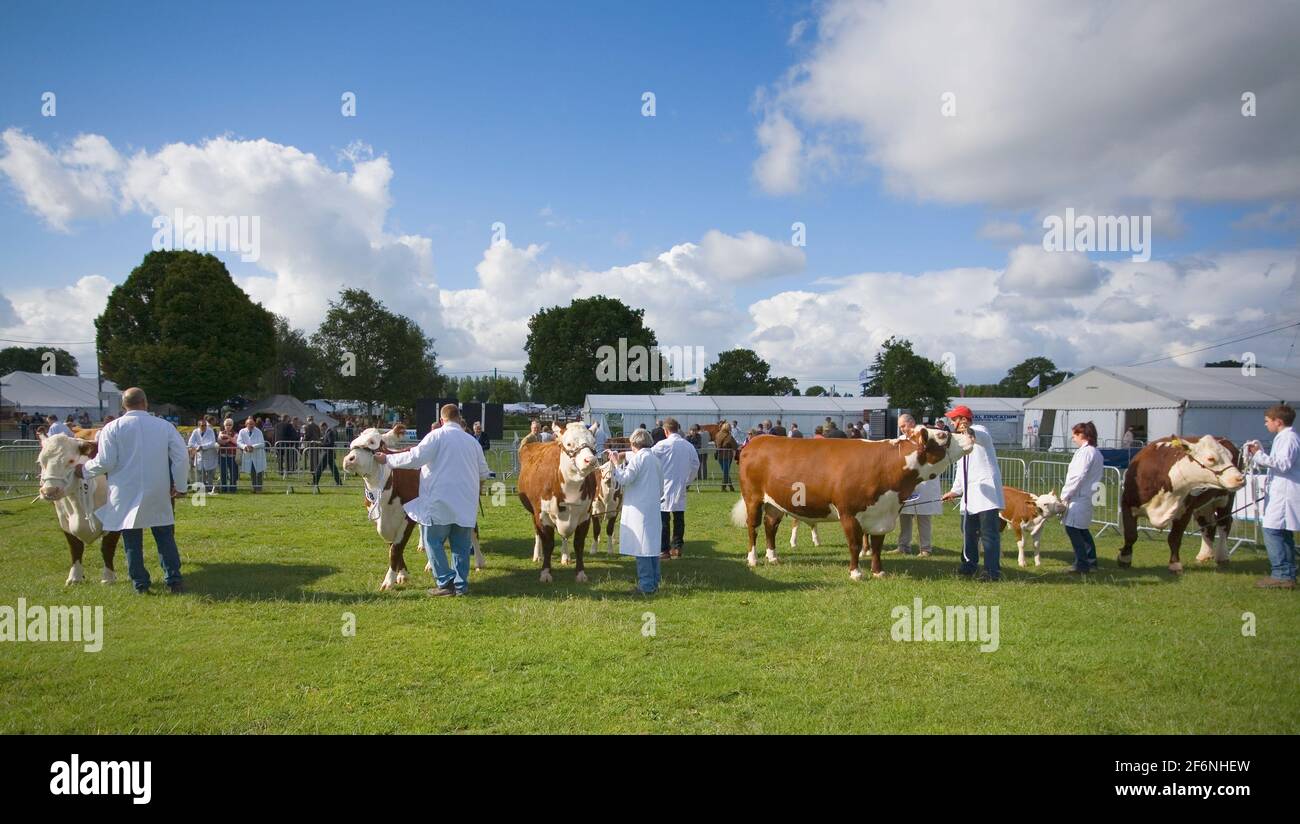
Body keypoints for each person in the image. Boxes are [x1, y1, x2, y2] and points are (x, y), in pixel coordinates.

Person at [77, 388, 188, 594]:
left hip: (125, 491)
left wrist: (83, 469)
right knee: (164, 535)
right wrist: (181, 486)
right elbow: (181, 457)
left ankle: (140, 584)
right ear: (145, 402)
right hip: (157, 489)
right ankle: (174, 580)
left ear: (123, 405)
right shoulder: (164, 426)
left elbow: (105, 462)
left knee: (131, 540)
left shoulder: (112, 428)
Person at [376, 404, 490, 597]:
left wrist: (387, 459)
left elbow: (414, 458)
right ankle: (461, 586)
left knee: (432, 541)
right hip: (465, 503)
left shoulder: (436, 436)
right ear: (458, 418)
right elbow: (484, 473)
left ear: (441, 420)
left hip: (439, 501)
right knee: (461, 546)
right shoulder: (472, 442)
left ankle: (445, 582)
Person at [941, 404, 1005, 581]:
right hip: (970, 496)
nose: (952, 422)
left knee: (988, 534)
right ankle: (969, 564)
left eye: (955, 418)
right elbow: (961, 470)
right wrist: (954, 491)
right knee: (968, 532)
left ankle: (992, 571)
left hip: (987, 495)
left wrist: (969, 431)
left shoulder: (979, 430)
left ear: (964, 419)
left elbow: (980, 437)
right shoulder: (961, 440)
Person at [607, 429, 665, 594]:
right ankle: (653, 582)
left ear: (634, 444)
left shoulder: (639, 458)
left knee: (643, 548)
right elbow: (661, 487)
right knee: (652, 548)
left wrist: (616, 464)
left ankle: (646, 585)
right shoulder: (654, 459)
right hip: (652, 508)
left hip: (639, 510)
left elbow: (624, 479)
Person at [1247, 404, 1299, 589]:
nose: (1265, 425)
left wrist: (1258, 455)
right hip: (1281, 491)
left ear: (1278, 421)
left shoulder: (1288, 438)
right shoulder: (1284, 438)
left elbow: (1283, 464)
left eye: (1267, 421)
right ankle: (1287, 574)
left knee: (1272, 530)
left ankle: (1281, 574)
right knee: (1282, 532)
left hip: (1285, 493)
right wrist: (1261, 453)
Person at [652, 418, 699, 559]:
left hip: (663, 485)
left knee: (663, 519)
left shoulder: (662, 445)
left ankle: (664, 550)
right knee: (679, 517)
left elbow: (648, 457)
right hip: (680, 485)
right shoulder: (688, 446)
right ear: (677, 429)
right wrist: (687, 481)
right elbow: (696, 465)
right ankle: (677, 547)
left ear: (666, 431)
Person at [1060, 421, 1103, 573]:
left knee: (1073, 528)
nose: (1073, 438)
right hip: (1086, 495)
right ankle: (1091, 562)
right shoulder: (1095, 452)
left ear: (1083, 435)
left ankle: (1082, 564)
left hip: (1079, 496)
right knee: (1082, 529)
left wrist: (1065, 495)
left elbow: (1077, 476)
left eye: (1075, 435)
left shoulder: (1086, 452)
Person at [895, 414, 941, 556]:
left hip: (924, 482)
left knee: (923, 516)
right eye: (900, 427)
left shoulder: (926, 436)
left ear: (912, 422)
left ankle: (926, 548)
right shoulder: (901, 440)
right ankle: (903, 546)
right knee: (905, 515)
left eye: (903, 426)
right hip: (907, 484)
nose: (902, 429)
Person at [187, 417, 218, 494]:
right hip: (199, 455)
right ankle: (201, 488)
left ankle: (210, 488)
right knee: (200, 472)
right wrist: (198, 447)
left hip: (209, 454)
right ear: (198, 426)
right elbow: (190, 443)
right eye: (202, 425)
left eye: (205, 425)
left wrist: (203, 446)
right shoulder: (195, 432)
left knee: (210, 473)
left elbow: (212, 442)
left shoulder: (210, 431)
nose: (204, 427)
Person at [237, 416, 267, 492]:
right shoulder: (242, 431)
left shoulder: (258, 431)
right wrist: (245, 447)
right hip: (248, 454)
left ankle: (259, 489)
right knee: (252, 472)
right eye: (249, 424)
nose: (251, 425)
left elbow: (262, 443)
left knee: (259, 472)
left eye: (252, 424)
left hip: (258, 454)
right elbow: (239, 442)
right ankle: (254, 488)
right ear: (246, 424)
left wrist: (253, 447)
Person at [314, 420, 343, 486]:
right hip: (329, 453)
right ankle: (339, 482)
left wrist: (321, 444)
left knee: (319, 468)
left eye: (321, 428)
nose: (321, 430)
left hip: (327, 453)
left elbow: (330, 443)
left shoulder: (329, 432)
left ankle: (315, 482)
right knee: (334, 469)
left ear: (324, 426)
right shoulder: (328, 432)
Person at [217, 418, 240, 493]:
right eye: (227, 425)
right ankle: (223, 488)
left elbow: (236, 442)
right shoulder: (221, 432)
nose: (228, 426)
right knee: (223, 472)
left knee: (233, 472)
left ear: (232, 426)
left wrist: (228, 438)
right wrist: (228, 440)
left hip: (232, 456)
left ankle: (233, 488)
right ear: (224, 425)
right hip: (222, 455)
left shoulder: (236, 433)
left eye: (230, 425)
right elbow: (220, 441)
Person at [715, 423, 738, 492]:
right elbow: (735, 446)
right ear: (728, 428)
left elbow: (716, 444)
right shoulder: (729, 437)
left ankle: (731, 487)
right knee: (726, 472)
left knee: (725, 472)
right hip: (727, 456)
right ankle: (723, 487)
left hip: (719, 456)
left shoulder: (717, 435)